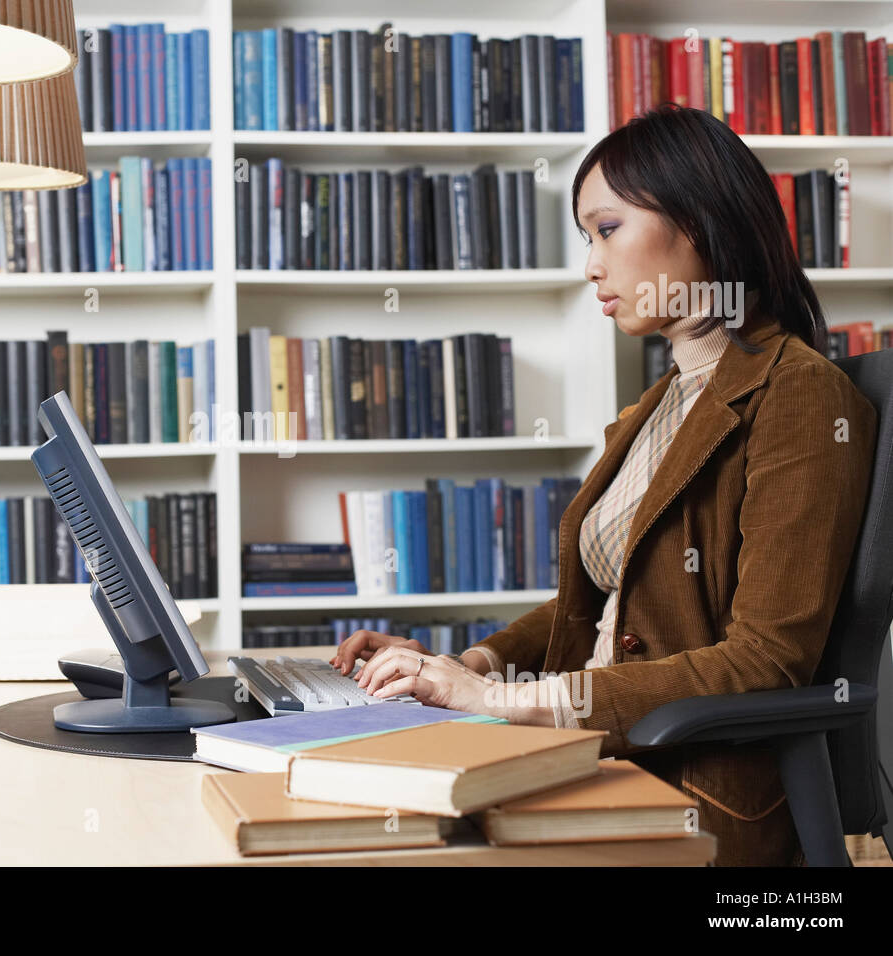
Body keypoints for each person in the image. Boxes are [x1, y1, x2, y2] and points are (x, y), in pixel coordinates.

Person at [330, 104, 878, 866]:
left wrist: (509, 703)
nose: (591, 264)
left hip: (691, 786)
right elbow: (598, 601)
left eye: (608, 229)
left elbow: (766, 660)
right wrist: (468, 668)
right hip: (600, 752)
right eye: (587, 237)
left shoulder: (800, 396)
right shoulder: (656, 408)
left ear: (697, 217)